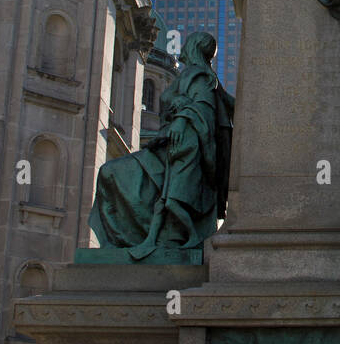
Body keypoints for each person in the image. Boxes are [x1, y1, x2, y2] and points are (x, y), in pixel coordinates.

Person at [90, 30, 233, 259]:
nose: (183, 46)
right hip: (164, 145)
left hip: (178, 148)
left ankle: (161, 241)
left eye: (188, 43)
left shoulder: (199, 77)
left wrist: (182, 119)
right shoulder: (194, 76)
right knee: (111, 175)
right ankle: (124, 241)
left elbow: (204, 110)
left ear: (194, 47)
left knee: (112, 174)